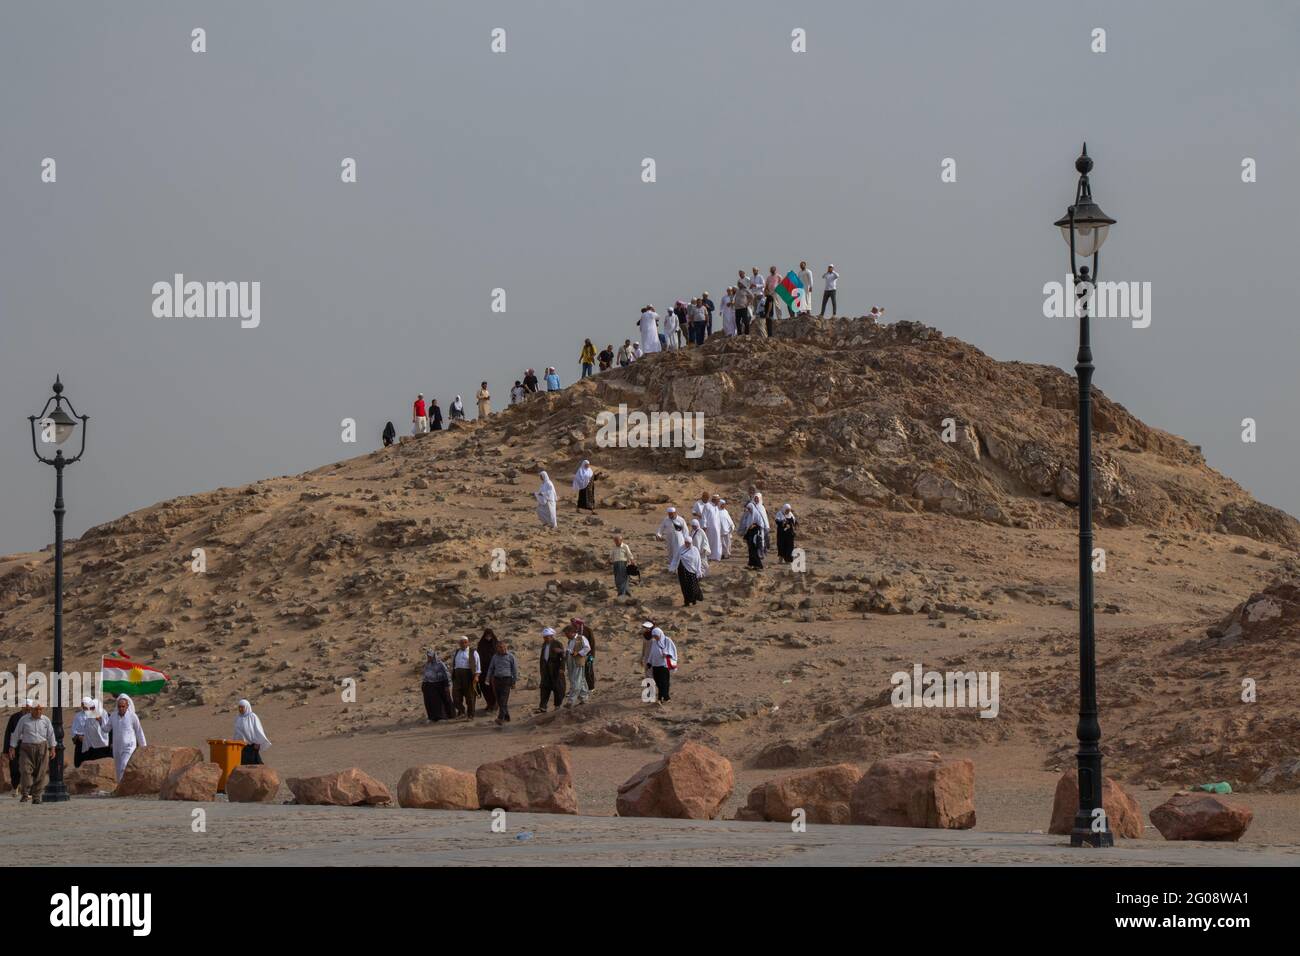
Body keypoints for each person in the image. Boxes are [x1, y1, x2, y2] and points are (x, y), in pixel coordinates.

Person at [7, 702, 56, 804]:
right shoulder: (24, 719)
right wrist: (12, 747)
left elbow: (51, 734)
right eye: (36, 709)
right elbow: (16, 734)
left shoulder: (45, 720)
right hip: (26, 749)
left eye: (40, 709)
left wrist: (53, 748)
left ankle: (36, 797)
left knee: (41, 773)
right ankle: (25, 794)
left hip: (42, 748)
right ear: (31, 710)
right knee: (25, 771)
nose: (38, 711)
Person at [109, 694, 146, 782]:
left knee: (124, 765)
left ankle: (123, 785)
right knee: (118, 769)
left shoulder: (133, 716)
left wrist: (144, 746)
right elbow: (106, 729)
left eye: (123, 706)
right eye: (119, 706)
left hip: (129, 746)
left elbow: (139, 731)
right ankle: (120, 786)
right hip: (117, 747)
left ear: (127, 706)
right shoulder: (113, 716)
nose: (121, 708)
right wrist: (100, 721)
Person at [485, 640, 518, 725]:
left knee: (503, 699)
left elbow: (514, 670)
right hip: (496, 680)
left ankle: (500, 718)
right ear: (497, 648)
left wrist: (514, 681)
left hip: (507, 680)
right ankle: (507, 717)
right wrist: (487, 678)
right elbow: (491, 668)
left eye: (504, 647)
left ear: (506, 647)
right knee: (499, 700)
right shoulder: (495, 657)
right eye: (500, 647)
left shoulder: (511, 656)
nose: (502, 649)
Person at [71, 697, 111, 767]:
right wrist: (78, 736)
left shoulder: (104, 714)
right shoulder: (81, 716)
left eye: (92, 708)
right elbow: (75, 731)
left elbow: (108, 729)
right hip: (87, 746)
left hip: (103, 746)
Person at [536, 627, 566, 714]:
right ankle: (542, 707)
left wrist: (562, 668)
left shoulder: (558, 644)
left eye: (547, 637)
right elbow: (542, 658)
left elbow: (563, 656)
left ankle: (557, 705)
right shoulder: (544, 645)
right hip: (546, 670)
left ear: (552, 636)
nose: (545, 638)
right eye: (544, 637)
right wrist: (542, 669)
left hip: (555, 670)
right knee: (544, 687)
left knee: (558, 688)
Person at [232, 699, 271, 764]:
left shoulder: (252, 716)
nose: (240, 709)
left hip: (252, 745)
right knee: (243, 763)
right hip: (240, 746)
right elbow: (236, 732)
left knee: (254, 762)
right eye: (239, 707)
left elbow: (258, 730)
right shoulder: (238, 718)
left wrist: (257, 742)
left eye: (242, 707)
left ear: (247, 707)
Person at [645, 627, 677, 705]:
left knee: (664, 682)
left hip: (664, 665)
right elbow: (652, 653)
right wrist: (649, 662)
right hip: (655, 665)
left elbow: (673, 651)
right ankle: (665, 697)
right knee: (658, 682)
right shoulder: (654, 642)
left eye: (656, 636)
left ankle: (661, 698)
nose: (655, 638)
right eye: (654, 636)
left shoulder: (667, 640)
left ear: (660, 634)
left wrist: (667, 655)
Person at [450, 636, 480, 720]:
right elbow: (454, 664)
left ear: (468, 643)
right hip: (457, 676)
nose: (463, 644)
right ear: (459, 644)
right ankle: (462, 711)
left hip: (469, 675)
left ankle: (470, 715)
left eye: (465, 642)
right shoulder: (456, 652)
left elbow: (478, 665)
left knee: (470, 697)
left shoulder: (473, 652)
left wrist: (476, 676)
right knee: (455, 696)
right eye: (461, 643)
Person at [420, 648, 453, 722]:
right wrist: (423, 684)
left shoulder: (440, 664)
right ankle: (432, 717)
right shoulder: (427, 664)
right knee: (430, 702)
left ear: (433, 656)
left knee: (439, 702)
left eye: (430, 656)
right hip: (429, 685)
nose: (429, 658)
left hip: (439, 684)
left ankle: (442, 717)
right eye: (428, 656)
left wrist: (447, 684)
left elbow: (446, 674)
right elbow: (425, 674)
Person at [670, 536, 705, 606]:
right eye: (686, 543)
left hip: (691, 571)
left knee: (693, 587)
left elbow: (698, 561)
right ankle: (687, 602)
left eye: (688, 543)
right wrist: (673, 567)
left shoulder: (695, 550)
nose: (687, 544)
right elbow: (676, 558)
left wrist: (699, 571)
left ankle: (694, 600)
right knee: (684, 587)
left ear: (691, 543)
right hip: (682, 571)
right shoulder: (680, 549)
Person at [4, 702, 29, 792]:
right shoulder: (14, 717)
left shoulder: (33, 717)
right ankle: (15, 786)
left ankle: (26, 788)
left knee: (27, 767)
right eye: (25, 706)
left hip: (28, 745)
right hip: (15, 746)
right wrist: (6, 750)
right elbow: (8, 733)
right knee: (14, 767)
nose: (27, 708)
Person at [564, 626, 591, 706]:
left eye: (567, 634)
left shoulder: (581, 638)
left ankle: (571, 701)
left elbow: (587, 648)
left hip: (578, 661)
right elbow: (570, 650)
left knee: (576, 680)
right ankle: (584, 698)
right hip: (570, 661)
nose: (566, 636)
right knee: (580, 680)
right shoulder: (570, 641)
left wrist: (579, 653)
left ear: (572, 632)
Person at [477, 629, 500, 714]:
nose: (488, 637)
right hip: (483, 670)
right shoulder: (481, 644)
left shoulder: (496, 644)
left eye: (490, 635)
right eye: (487, 635)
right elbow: (478, 657)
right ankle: (489, 703)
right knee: (484, 687)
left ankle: (495, 704)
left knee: (493, 688)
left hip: (494, 670)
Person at [702, 495, 724, 562]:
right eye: (718, 500)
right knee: (710, 542)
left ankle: (716, 556)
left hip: (717, 528)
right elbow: (704, 517)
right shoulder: (707, 506)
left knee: (717, 542)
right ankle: (710, 556)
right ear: (714, 500)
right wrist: (704, 526)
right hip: (710, 528)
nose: (719, 502)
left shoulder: (716, 507)